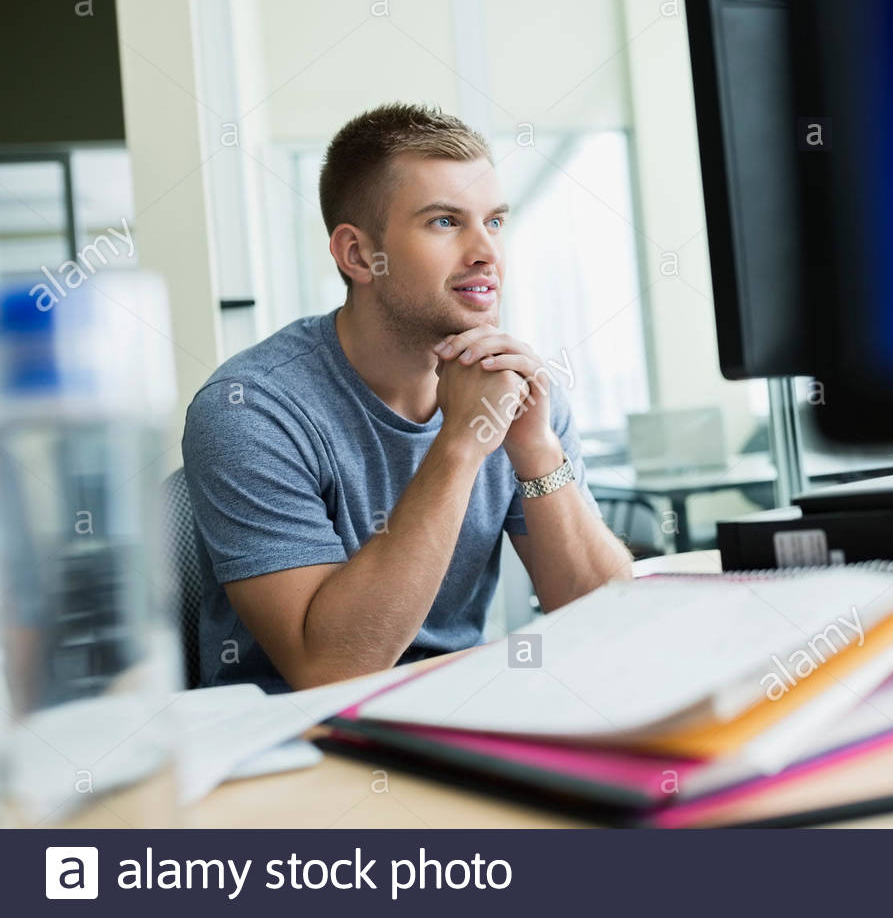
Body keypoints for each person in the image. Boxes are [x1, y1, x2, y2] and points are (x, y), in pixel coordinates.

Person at [183, 103, 632, 692]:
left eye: (494, 221)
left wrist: (536, 449)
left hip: (455, 713)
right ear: (358, 255)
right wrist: (461, 444)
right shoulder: (250, 409)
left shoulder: (514, 385)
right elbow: (329, 671)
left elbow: (608, 619)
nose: (486, 252)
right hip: (300, 744)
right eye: (445, 222)